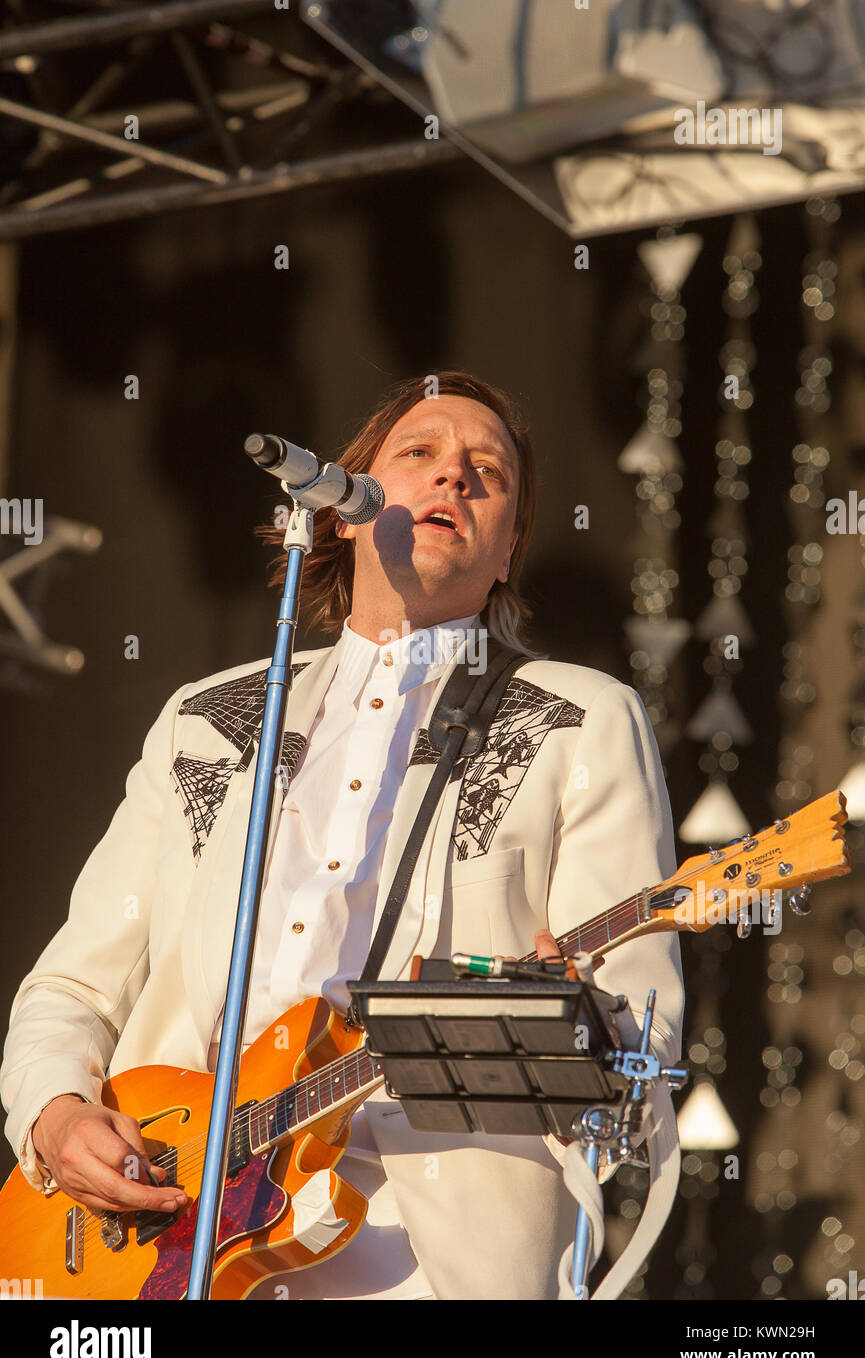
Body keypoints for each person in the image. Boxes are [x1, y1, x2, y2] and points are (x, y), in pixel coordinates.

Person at [0, 370, 684, 1300]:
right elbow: (73, 984)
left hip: (426, 1265)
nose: (454, 478)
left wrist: (575, 1031)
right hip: (165, 1237)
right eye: (420, 454)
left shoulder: (581, 719)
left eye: (487, 472)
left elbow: (642, 1053)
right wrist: (54, 1113)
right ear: (341, 510)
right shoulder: (205, 721)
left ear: (509, 546)